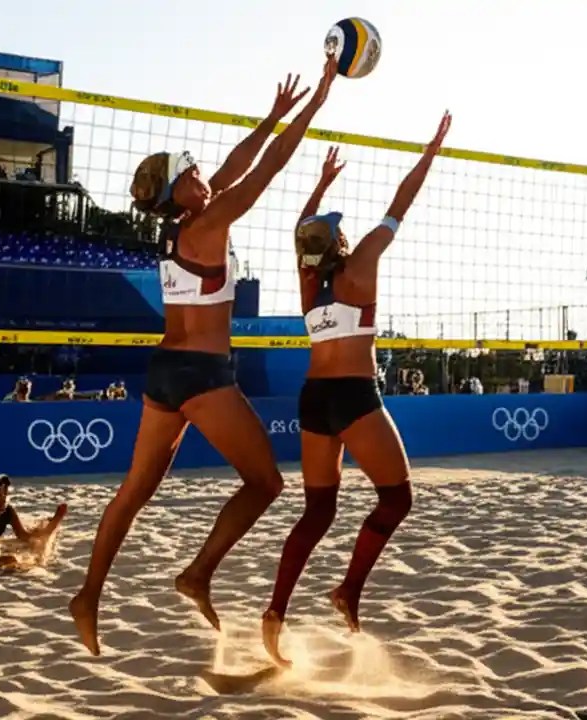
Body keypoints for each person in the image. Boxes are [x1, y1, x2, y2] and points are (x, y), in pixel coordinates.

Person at [69, 55, 339, 656]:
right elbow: (263, 172)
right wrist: (316, 104)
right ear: (179, 188)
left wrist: (272, 114)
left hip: (165, 372)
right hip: (201, 375)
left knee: (133, 492)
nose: (202, 171)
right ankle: (197, 573)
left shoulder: (189, 222)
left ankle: (88, 596)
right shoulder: (210, 218)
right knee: (266, 483)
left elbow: (237, 166)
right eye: (192, 168)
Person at [261, 112, 452, 667]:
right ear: (341, 241)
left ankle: (275, 612)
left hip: (313, 398)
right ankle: (348, 590)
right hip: (353, 395)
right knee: (397, 498)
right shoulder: (361, 263)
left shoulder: (307, 282)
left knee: (317, 511)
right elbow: (401, 204)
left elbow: (302, 231)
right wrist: (430, 153)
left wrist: (320, 185)